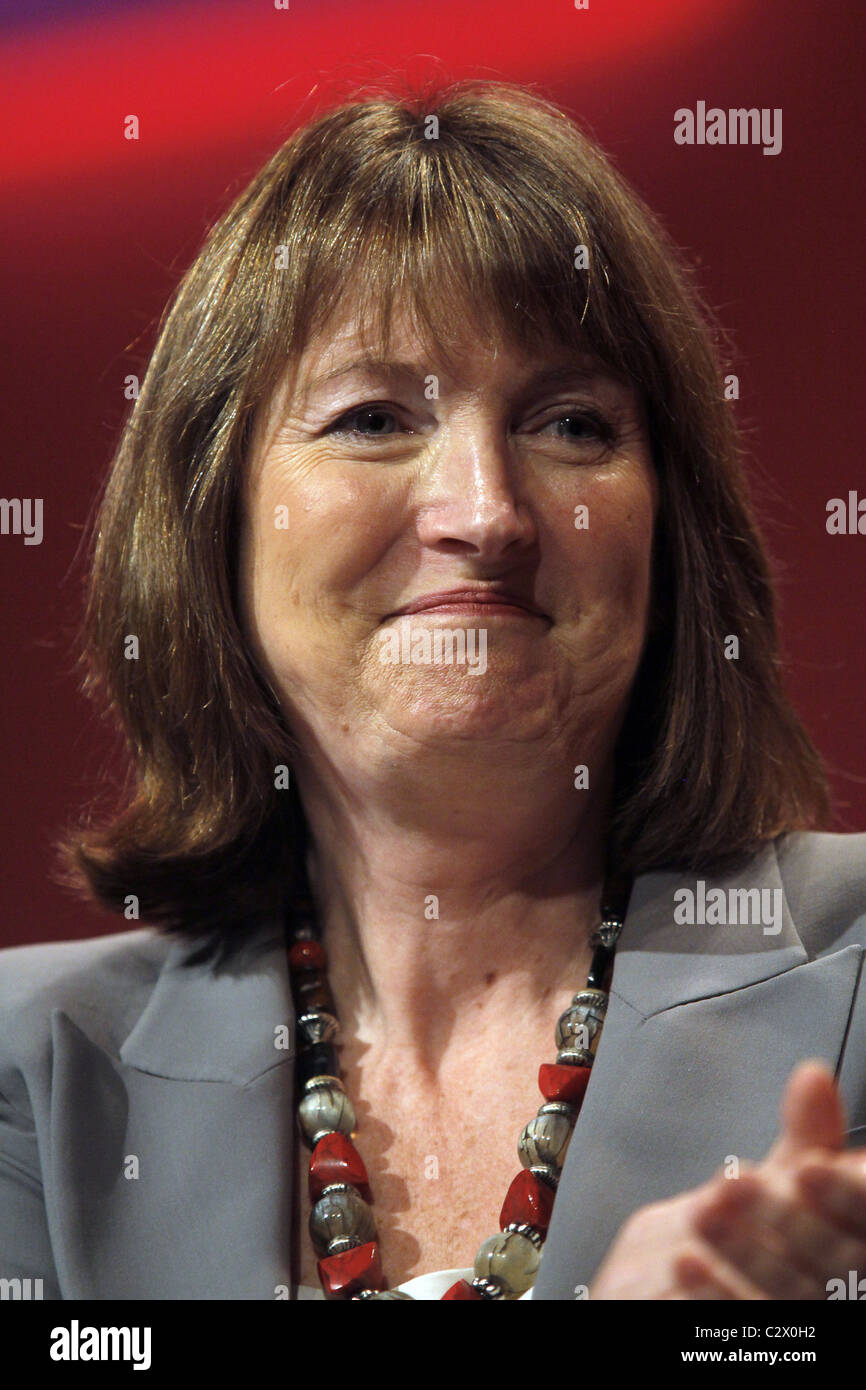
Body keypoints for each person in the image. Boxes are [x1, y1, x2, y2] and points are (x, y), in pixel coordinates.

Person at [1, 79, 864, 1302]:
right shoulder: (31, 1072)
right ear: (216, 519)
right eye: (370, 419)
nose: (486, 513)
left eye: (569, 424)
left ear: (668, 530)